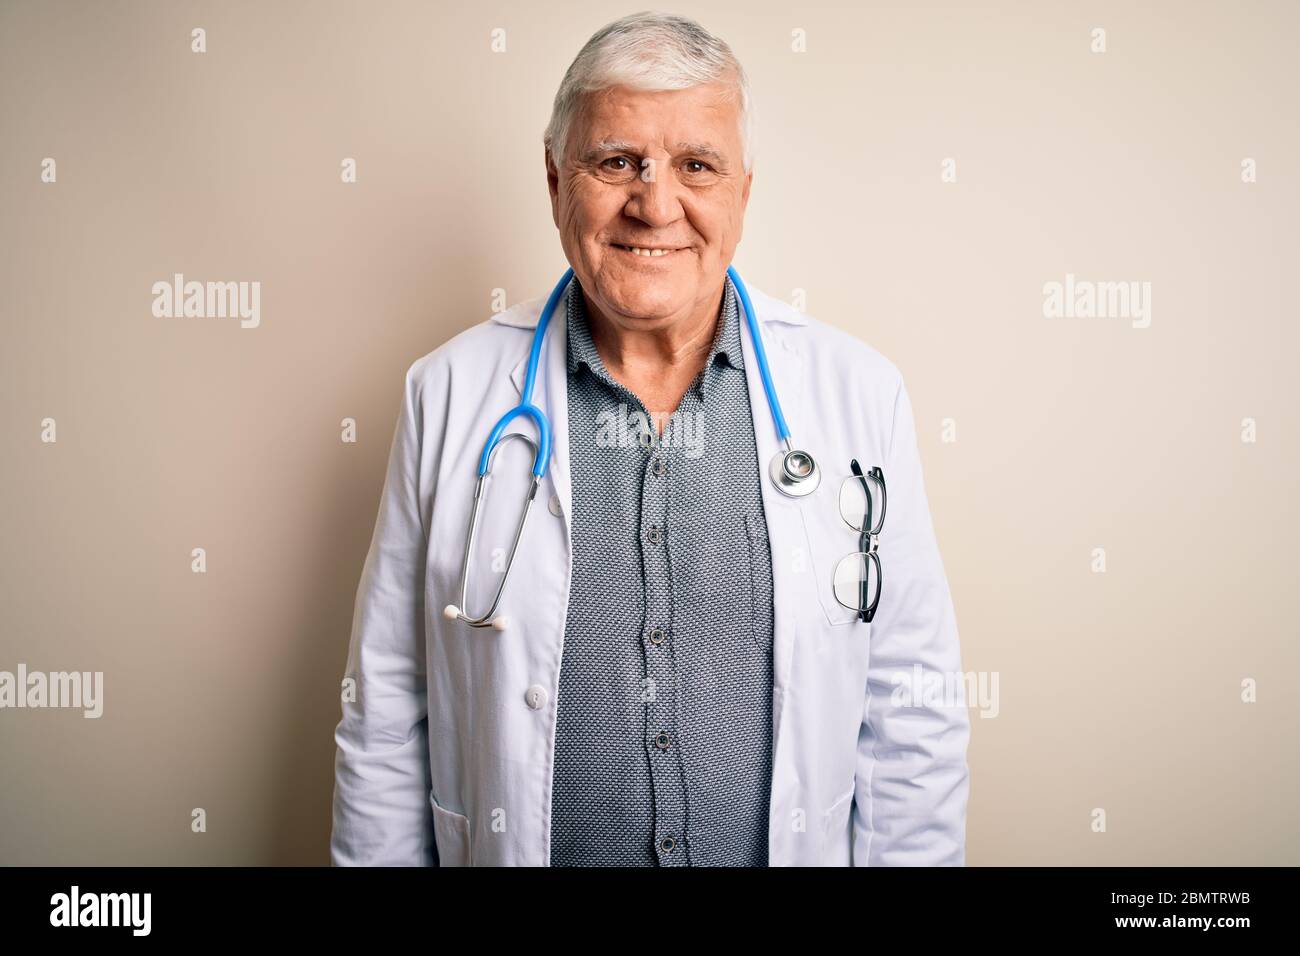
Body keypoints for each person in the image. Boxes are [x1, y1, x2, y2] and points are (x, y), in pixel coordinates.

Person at [331, 11, 969, 867]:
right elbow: (384, 717)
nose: (654, 203)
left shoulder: (859, 395)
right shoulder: (446, 393)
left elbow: (912, 718)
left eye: (696, 165)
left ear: (743, 192)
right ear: (557, 179)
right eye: (615, 161)